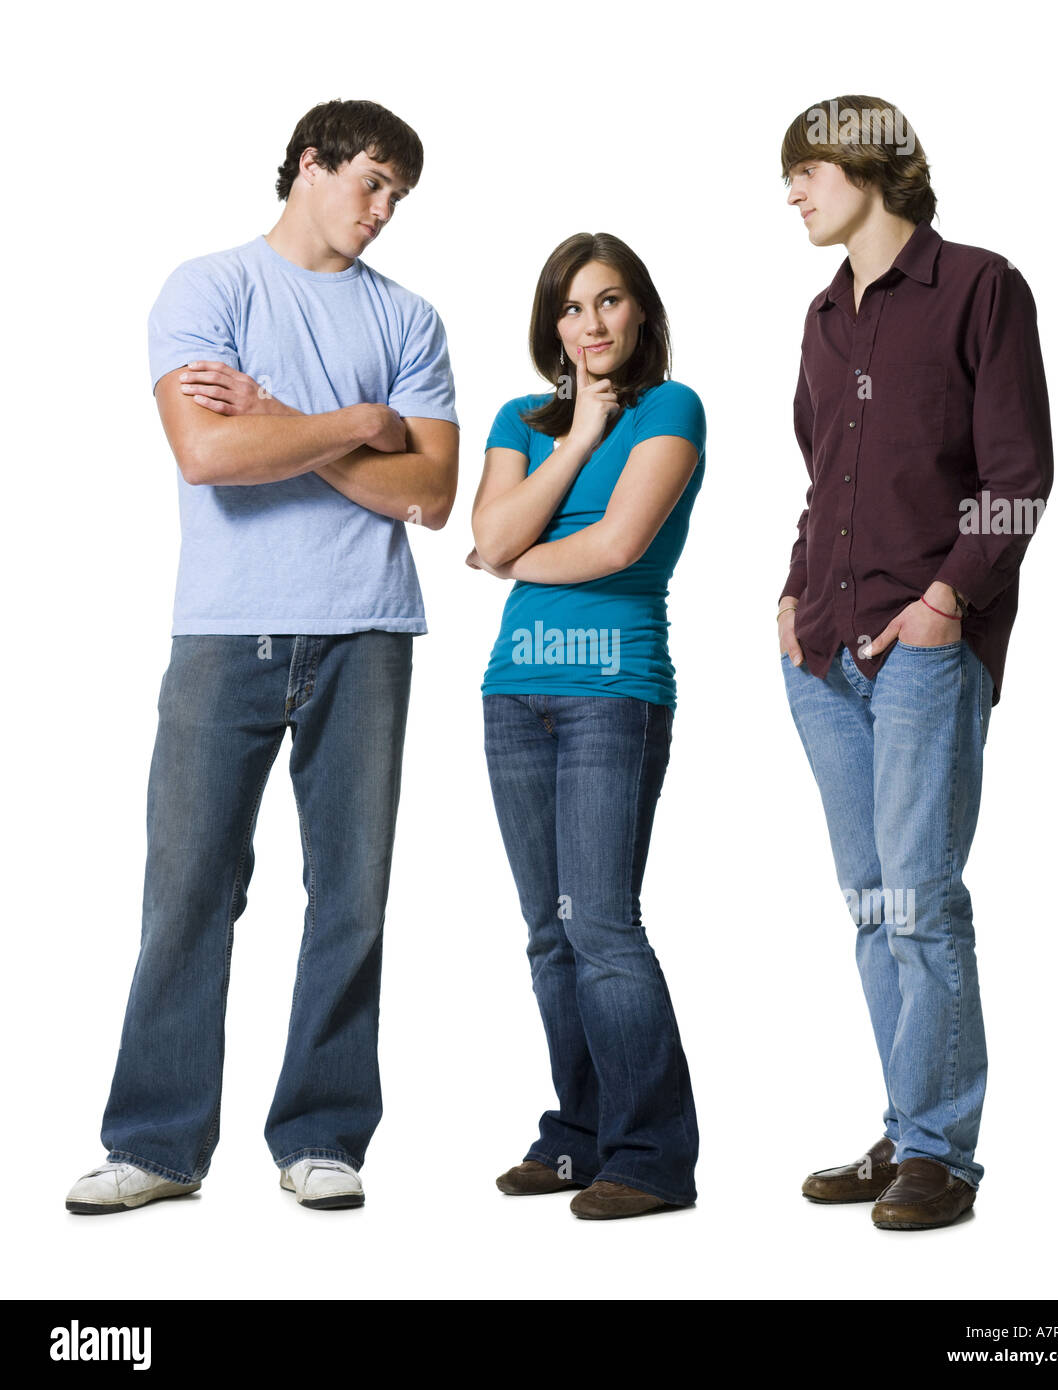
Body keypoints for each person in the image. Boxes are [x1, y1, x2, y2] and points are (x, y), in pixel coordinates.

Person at [65, 99, 459, 1214]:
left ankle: (323, 1136)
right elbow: (207, 452)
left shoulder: (412, 319)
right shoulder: (209, 288)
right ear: (308, 164)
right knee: (188, 887)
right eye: (371, 183)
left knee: (352, 895)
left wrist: (287, 417)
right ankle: (154, 1143)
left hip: (368, 630)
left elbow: (428, 496)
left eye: (398, 197)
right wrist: (359, 422)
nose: (383, 212)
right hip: (225, 627)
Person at [778, 95, 1053, 1229]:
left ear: (869, 168)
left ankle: (940, 1150)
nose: (791, 191)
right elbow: (820, 471)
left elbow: (1019, 472)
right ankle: (906, 1127)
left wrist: (948, 598)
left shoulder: (980, 286)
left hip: (925, 646)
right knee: (871, 900)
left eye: (804, 169)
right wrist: (792, 591)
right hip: (823, 650)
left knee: (922, 897)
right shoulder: (822, 317)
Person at [467, 232, 704, 1220]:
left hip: (614, 687)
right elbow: (485, 531)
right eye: (571, 307)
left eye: (609, 302)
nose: (590, 323)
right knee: (547, 933)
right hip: (513, 690)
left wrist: (516, 554)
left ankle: (650, 1156)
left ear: (639, 311)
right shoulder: (522, 419)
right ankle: (579, 1138)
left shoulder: (671, 408)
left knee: (601, 924)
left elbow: (616, 545)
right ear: (551, 323)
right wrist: (571, 439)